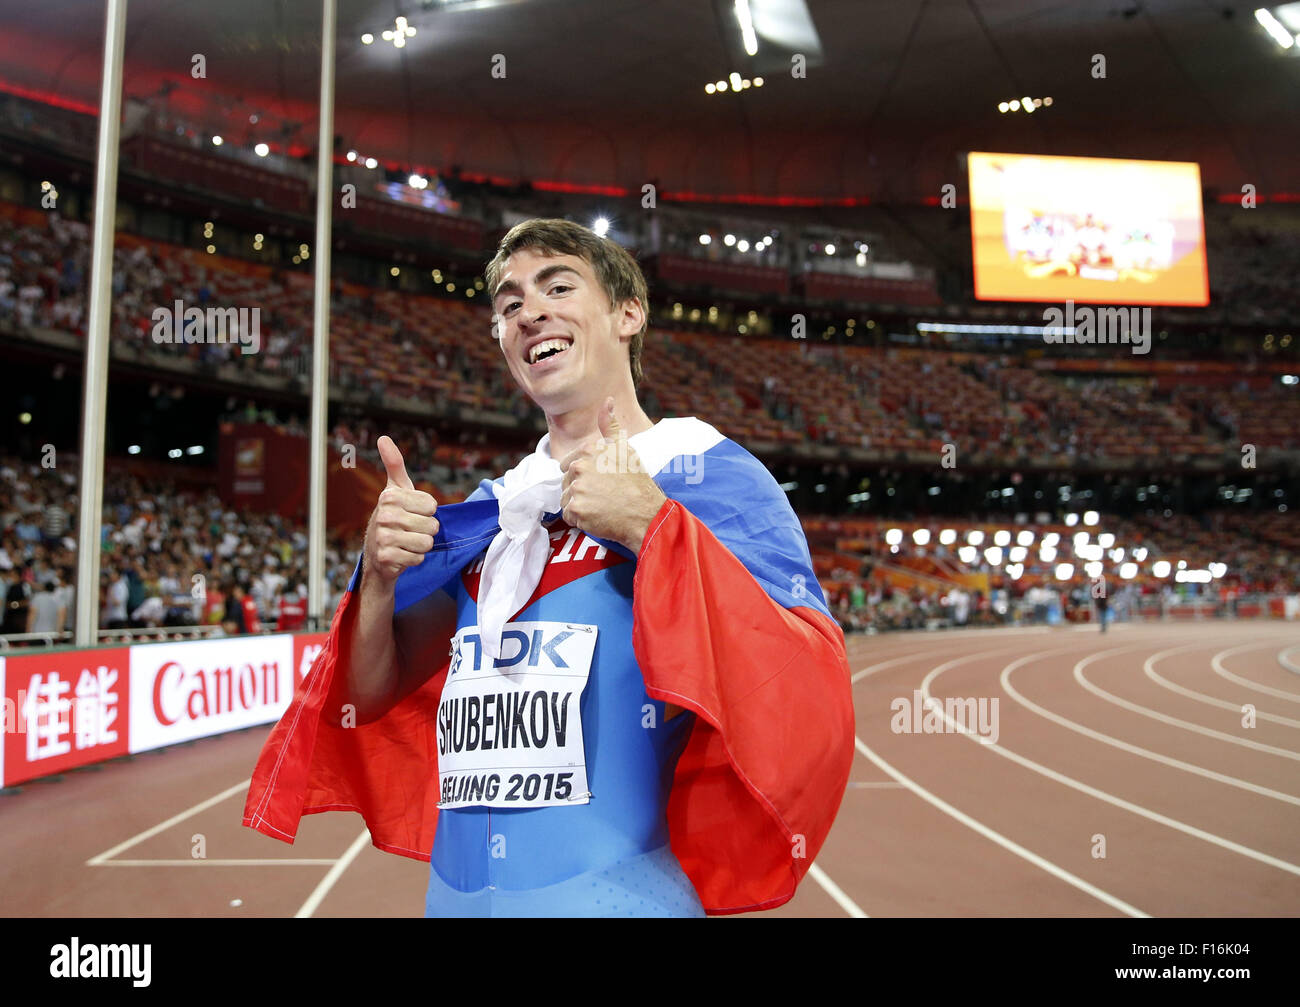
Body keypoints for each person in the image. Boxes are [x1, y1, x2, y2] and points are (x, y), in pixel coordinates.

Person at [244, 218, 854, 917]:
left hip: (622, 897)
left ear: (629, 312)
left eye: (557, 286)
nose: (527, 311)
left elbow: (800, 676)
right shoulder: (493, 513)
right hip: (456, 900)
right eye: (507, 306)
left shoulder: (710, 479)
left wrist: (653, 527)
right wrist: (380, 579)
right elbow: (367, 693)